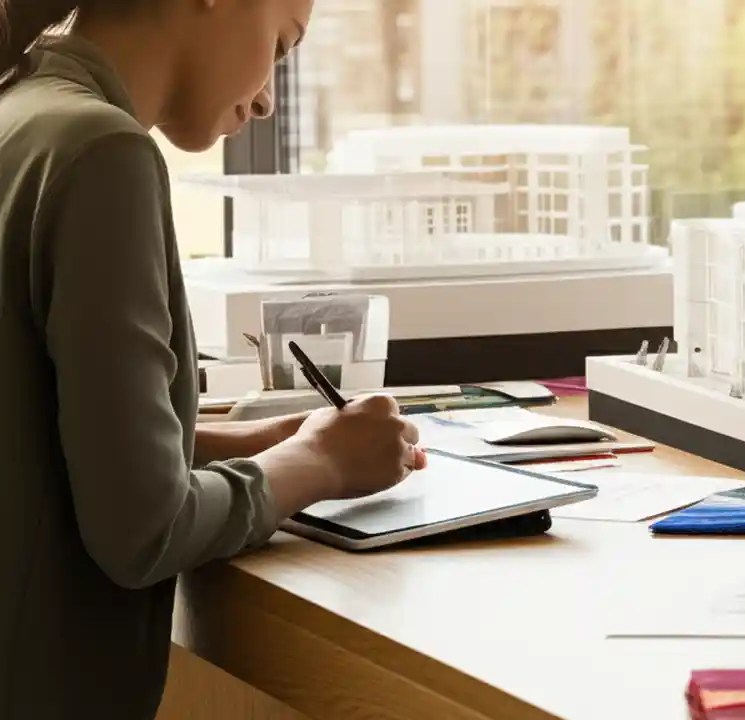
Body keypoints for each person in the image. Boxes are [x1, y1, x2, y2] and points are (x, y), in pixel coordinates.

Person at [0, 1, 427, 717]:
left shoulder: (22, 112)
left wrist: (256, 444)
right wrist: (317, 465)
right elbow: (142, 530)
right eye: (282, 48)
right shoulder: (100, 152)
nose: (265, 100)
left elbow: (44, 440)